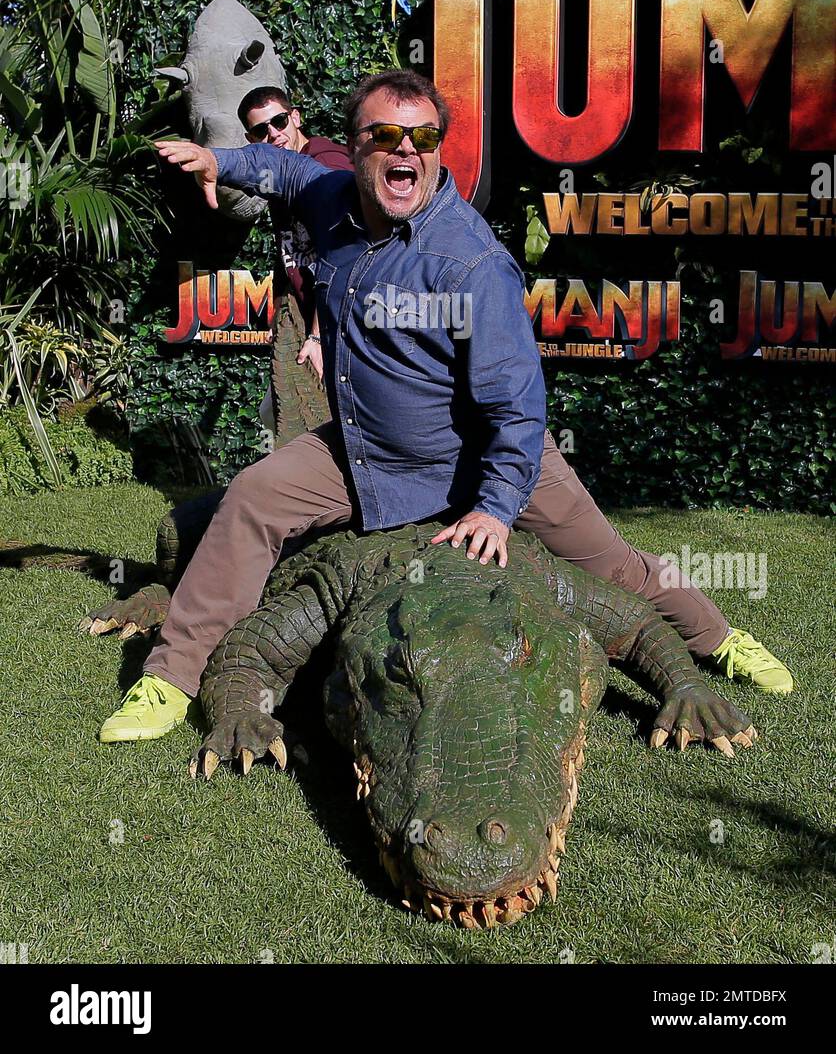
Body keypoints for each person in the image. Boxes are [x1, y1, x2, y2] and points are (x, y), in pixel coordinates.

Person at [100, 70, 792, 742]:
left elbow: (516, 407)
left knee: (612, 564)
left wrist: (494, 506)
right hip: (368, 449)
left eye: (423, 137)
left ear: (436, 149)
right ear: (354, 147)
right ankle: (174, 676)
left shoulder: (470, 263)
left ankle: (722, 638)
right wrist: (217, 158)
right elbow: (279, 169)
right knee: (251, 497)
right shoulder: (332, 197)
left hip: (483, 456)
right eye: (385, 136)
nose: (406, 149)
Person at [236, 85, 352, 404]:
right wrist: (280, 314)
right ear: (252, 141)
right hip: (308, 312)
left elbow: (344, 252)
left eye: (280, 121)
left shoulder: (325, 164)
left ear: (296, 117)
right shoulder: (278, 174)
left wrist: (317, 334)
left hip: (342, 321)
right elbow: (288, 247)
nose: (273, 134)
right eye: (261, 130)